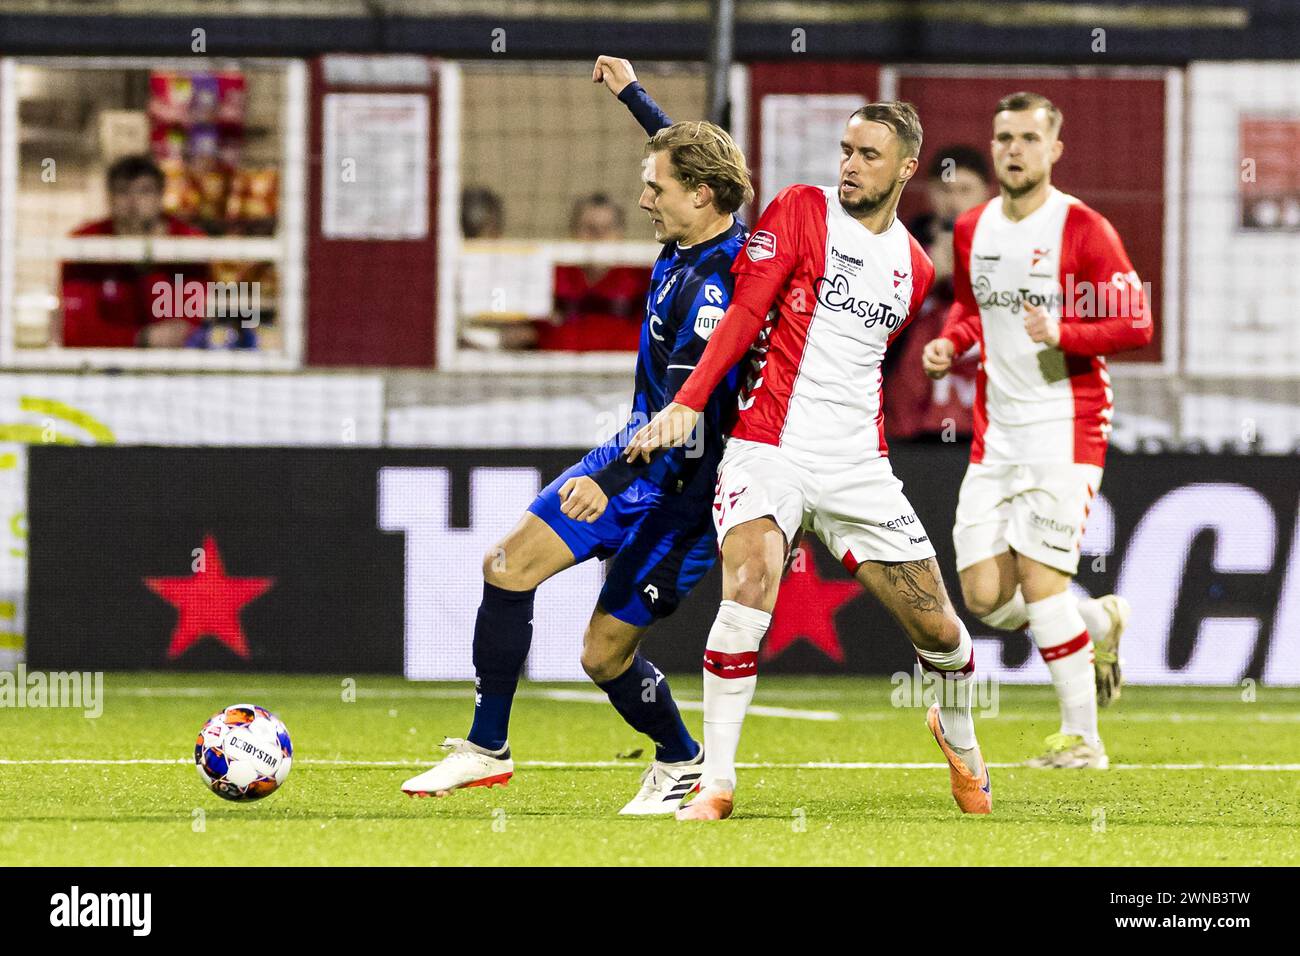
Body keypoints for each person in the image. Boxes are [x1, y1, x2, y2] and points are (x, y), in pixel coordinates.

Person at [401, 56, 754, 815]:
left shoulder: (716, 290)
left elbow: (685, 416)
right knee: (505, 566)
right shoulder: (701, 222)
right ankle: (486, 749)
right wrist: (633, 94)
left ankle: (681, 759)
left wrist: (610, 481)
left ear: (700, 197)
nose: (642, 198)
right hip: (632, 452)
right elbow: (679, 145)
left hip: (679, 492)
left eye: (654, 189)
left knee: (600, 655)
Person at [626, 102, 992, 820]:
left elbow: (863, 371)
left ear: (907, 170)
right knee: (750, 587)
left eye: (869, 155)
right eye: (846, 150)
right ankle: (717, 783)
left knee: (943, 635)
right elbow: (743, 316)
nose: (851, 165)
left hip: (857, 465)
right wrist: (690, 404)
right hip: (768, 448)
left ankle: (958, 735)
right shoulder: (798, 209)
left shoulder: (914, 270)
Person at [922, 92, 1151, 769]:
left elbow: (1136, 324)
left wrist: (1067, 332)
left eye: (1028, 137)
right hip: (999, 435)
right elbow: (970, 307)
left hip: (1066, 423)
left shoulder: (1083, 230)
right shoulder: (974, 228)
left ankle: (1084, 740)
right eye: (1003, 137)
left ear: (1054, 149)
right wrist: (950, 341)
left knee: (1043, 582)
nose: (1013, 149)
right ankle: (1099, 621)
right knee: (986, 598)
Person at [884, 146, 992, 440]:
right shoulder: (901, 241)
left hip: (980, 401)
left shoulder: (1006, 245)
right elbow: (876, 313)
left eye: (965, 190)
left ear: (986, 193)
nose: (954, 201)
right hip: (910, 401)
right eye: (946, 190)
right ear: (931, 192)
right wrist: (929, 279)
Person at [60, 155, 208, 348]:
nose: (133, 202)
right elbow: (75, 333)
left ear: (160, 196)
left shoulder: (188, 242)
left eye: (144, 191)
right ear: (109, 197)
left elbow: (183, 331)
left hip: (170, 367)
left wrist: (148, 266)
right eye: (123, 191)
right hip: (103, 368)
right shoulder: (86, 242)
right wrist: (141, 338)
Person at [535, 193, 650, 351]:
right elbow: (531, 333)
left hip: (623, 372)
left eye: (607, 228)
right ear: (573, 232)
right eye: (589, 228)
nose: (599, 235)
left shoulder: (641, 278)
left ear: (621, 234)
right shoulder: (552, 278)